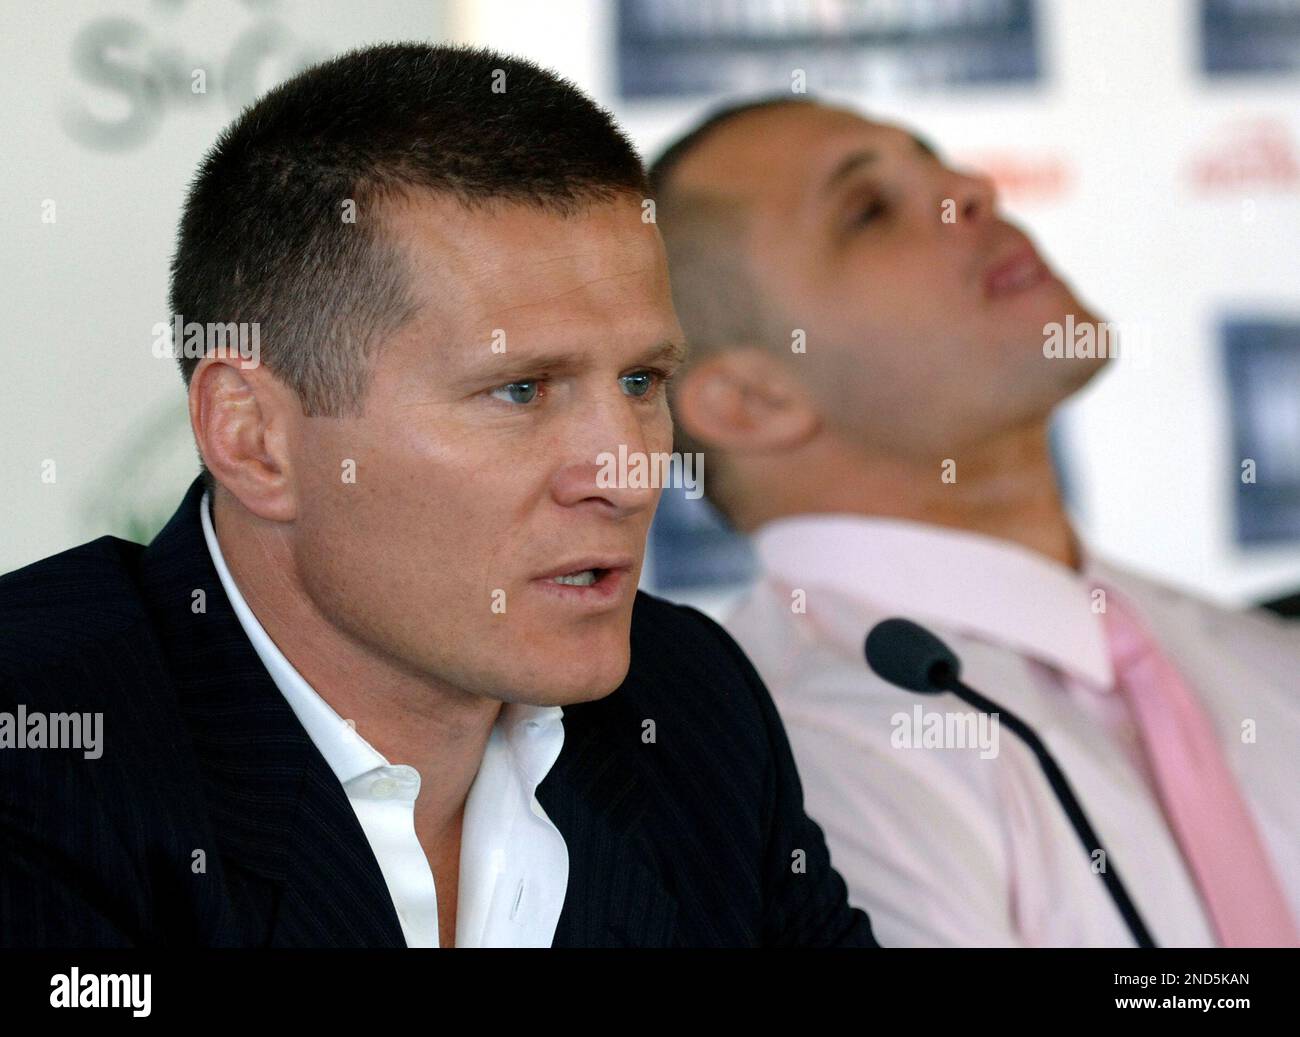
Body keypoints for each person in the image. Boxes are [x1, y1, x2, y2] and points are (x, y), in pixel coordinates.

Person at [0, 48, 875, 949]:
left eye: (644, 380)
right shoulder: (37, 754)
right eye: (522, 391)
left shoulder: (690, 706)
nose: (627, 472)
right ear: (253, 437)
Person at [651, 96, 1300, 947]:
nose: (973, 189)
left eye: (939, 162)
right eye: (869, 211)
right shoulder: (794, 758)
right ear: (753, 400)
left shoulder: (1258, 656)